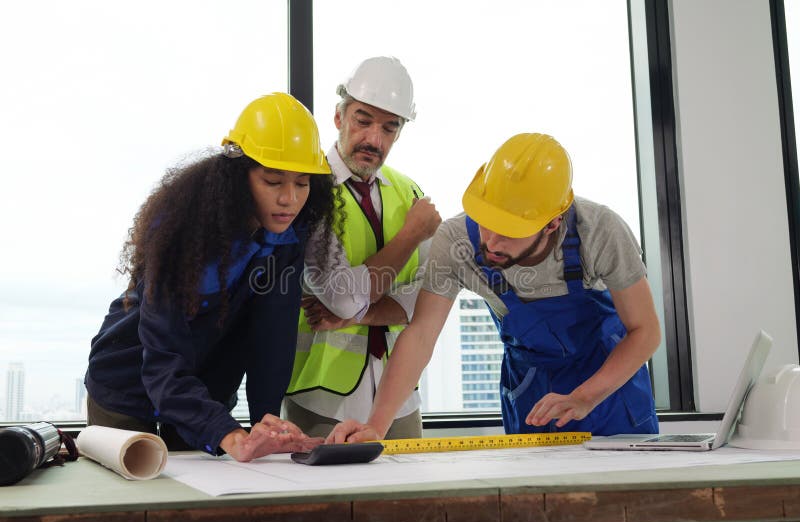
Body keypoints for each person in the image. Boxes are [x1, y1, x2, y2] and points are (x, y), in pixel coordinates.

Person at [327, 133, 661, 443]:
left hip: (611, 395)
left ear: (552, 224)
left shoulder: (600, 232)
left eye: (510, 231)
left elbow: (645, 331)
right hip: (531, 397)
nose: (491, 241)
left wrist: (585, 397)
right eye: (487, 222)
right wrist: (376, 426)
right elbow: (421, 334)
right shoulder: (457, 241)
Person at [84, 92, 336, 462]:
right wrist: (229, 435)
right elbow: (162, 361)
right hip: (127, 382)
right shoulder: (182, 235)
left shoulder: (288, 238)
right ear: (239, 176)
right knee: (136, 506)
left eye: (302, 183)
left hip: (204, 391)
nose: (290, 199)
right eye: (273, 181)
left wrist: (267, 425)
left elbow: (272, 342)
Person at [283, 56, 441, 439]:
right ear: (339, 118)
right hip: (321, 397)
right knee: (330, 501)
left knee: (406, 501)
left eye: (390, 127)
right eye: (363, 120)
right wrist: (409, 237)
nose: (374, 139)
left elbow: (428, 297)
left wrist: (361, 316)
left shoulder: (410, 194)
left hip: (399, 398)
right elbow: (342, 299)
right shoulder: (306, 188)